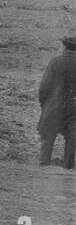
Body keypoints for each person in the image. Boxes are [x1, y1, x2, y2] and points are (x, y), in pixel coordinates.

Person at [37, 35, 76, 168]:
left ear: (64, 47)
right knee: (72, 139)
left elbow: (43, 88)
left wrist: (45, 105)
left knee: (48, 136)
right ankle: (68, 167)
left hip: (54, 105)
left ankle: (44, 165)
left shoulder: (55, 62)